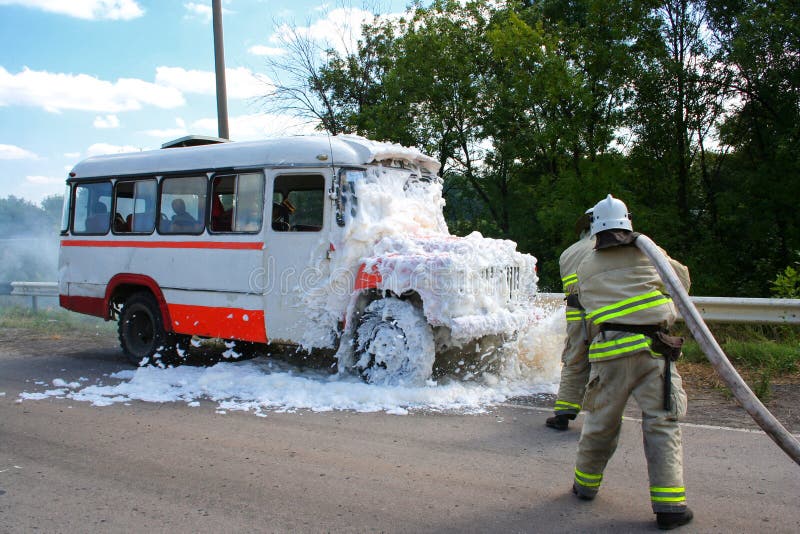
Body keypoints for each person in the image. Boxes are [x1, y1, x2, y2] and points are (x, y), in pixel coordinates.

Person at [570, 194, 693, 531]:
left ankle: (585, 486)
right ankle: (670, 508)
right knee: (662, 424)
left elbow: (585, 305)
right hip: (656, 353)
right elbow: (682, 284)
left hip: (609, 356)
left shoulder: (586, 266)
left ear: (595, 228)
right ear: (629, 221)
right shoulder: (651, 255)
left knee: (601, 425)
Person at [546, 209, 595, 431]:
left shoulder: (568, 253)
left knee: (574, 361)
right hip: (605, 312)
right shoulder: (628, 246)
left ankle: (563, 413)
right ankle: (601, 417)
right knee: (605, 363)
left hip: (577, 314)